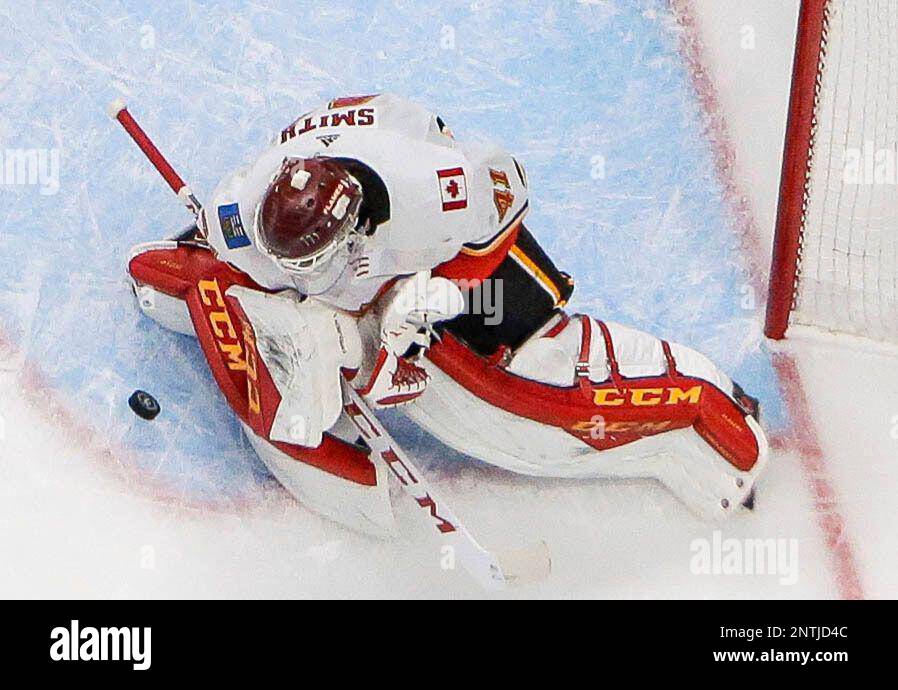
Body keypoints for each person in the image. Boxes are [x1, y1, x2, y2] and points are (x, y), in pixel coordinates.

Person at [128, 94, 768, 534]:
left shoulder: (433, 190)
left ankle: (702, 399)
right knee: (320, 323)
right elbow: (231, 264)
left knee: (530, 379)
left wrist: (442, 284)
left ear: (355, 232)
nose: (302, 276)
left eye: (318, 260)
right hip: (371, 221)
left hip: (470, 250)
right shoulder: (240, 211)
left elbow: (509, 187)